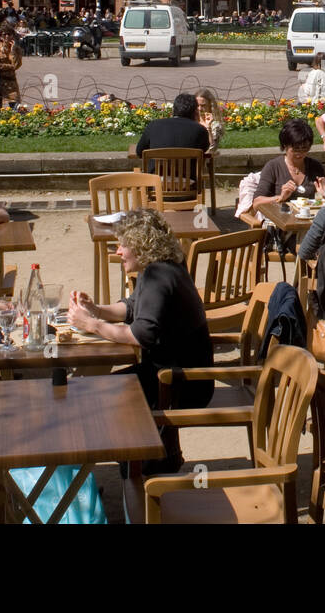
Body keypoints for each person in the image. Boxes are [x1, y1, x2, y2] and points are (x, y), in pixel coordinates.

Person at [66, 209, 213, 472]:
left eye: (123, 245)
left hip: (180, 382)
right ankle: (149, 459)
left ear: (142, 245)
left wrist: (92, 324)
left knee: (88, 396)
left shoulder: (159, 276)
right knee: (91, 392)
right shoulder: (160, 267)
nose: (118, 252)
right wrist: (97, 309)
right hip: (174, 374)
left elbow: (140, 335)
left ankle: (140, 464)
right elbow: (134, 308)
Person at [252, 118, 325, 210]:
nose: (300, 153)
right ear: (285, 145)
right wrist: (280, 197)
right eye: (295, 149)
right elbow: (256, 203)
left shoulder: (315, 166)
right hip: (280, 220)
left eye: (305, 148)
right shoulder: (273, 167)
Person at [135, 93, 210, 157]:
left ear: (173, 110)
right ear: (195, 112)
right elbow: (204, 150)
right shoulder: (200, 130)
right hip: (187, 174)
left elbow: (139, 152)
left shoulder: (153, 125)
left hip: (155, 174)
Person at [0, 27, 22, 108]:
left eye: (9, 34)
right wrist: (11, 66)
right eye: (4, 34)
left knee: (15, 107)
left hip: (11, 82)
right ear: (0, 37)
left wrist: (12, 51)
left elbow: (17, 65)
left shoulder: (17, 49)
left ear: (13, 36)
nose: (7, 36)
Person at [194, 88, 224, 155]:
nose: (199, 109)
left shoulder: (215, 125)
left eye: (203, 105)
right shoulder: (190, 120)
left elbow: (211, 149)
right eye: (197, 105)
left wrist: (208, 128)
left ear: (210, 106)